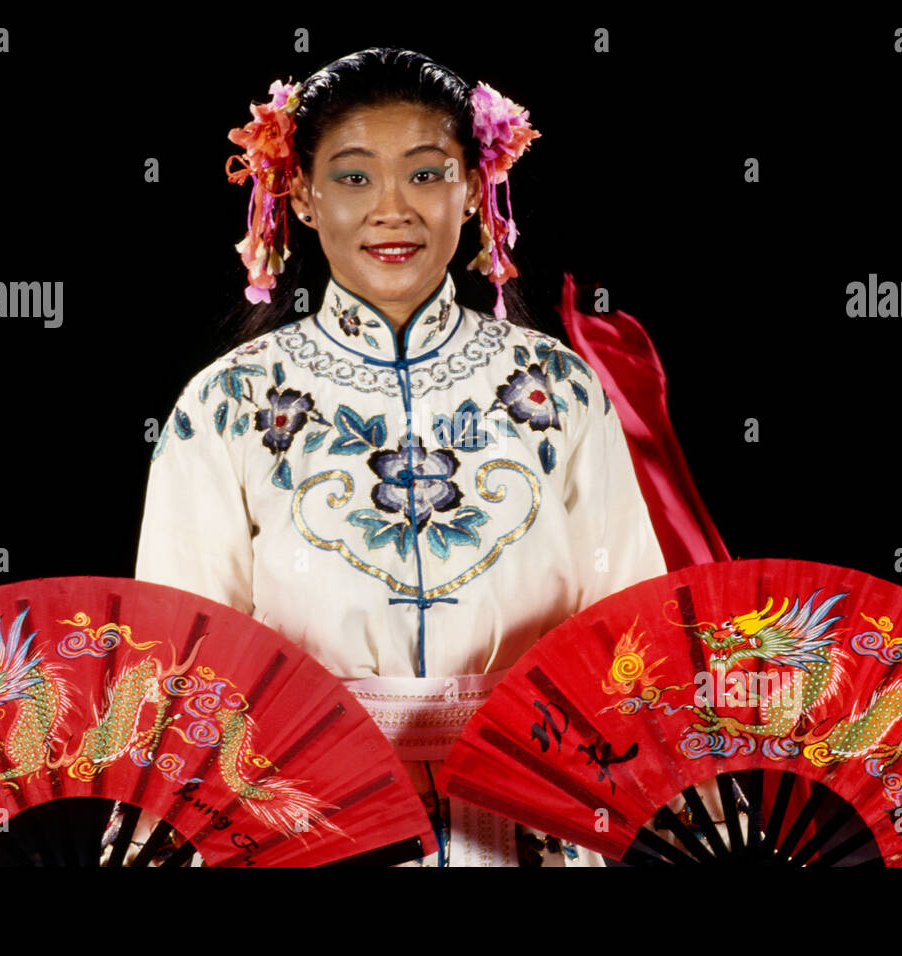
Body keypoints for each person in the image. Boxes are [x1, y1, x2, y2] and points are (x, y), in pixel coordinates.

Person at [135, 47, 667, 866]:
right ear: (303, 197)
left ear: (474, 190)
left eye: (426, 174)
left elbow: (632, 630)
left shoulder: (559, 391)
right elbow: (180, 658)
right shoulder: (229, 404)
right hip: (313, 819)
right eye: (353, 178)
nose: (392, 209)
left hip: (538, 812)